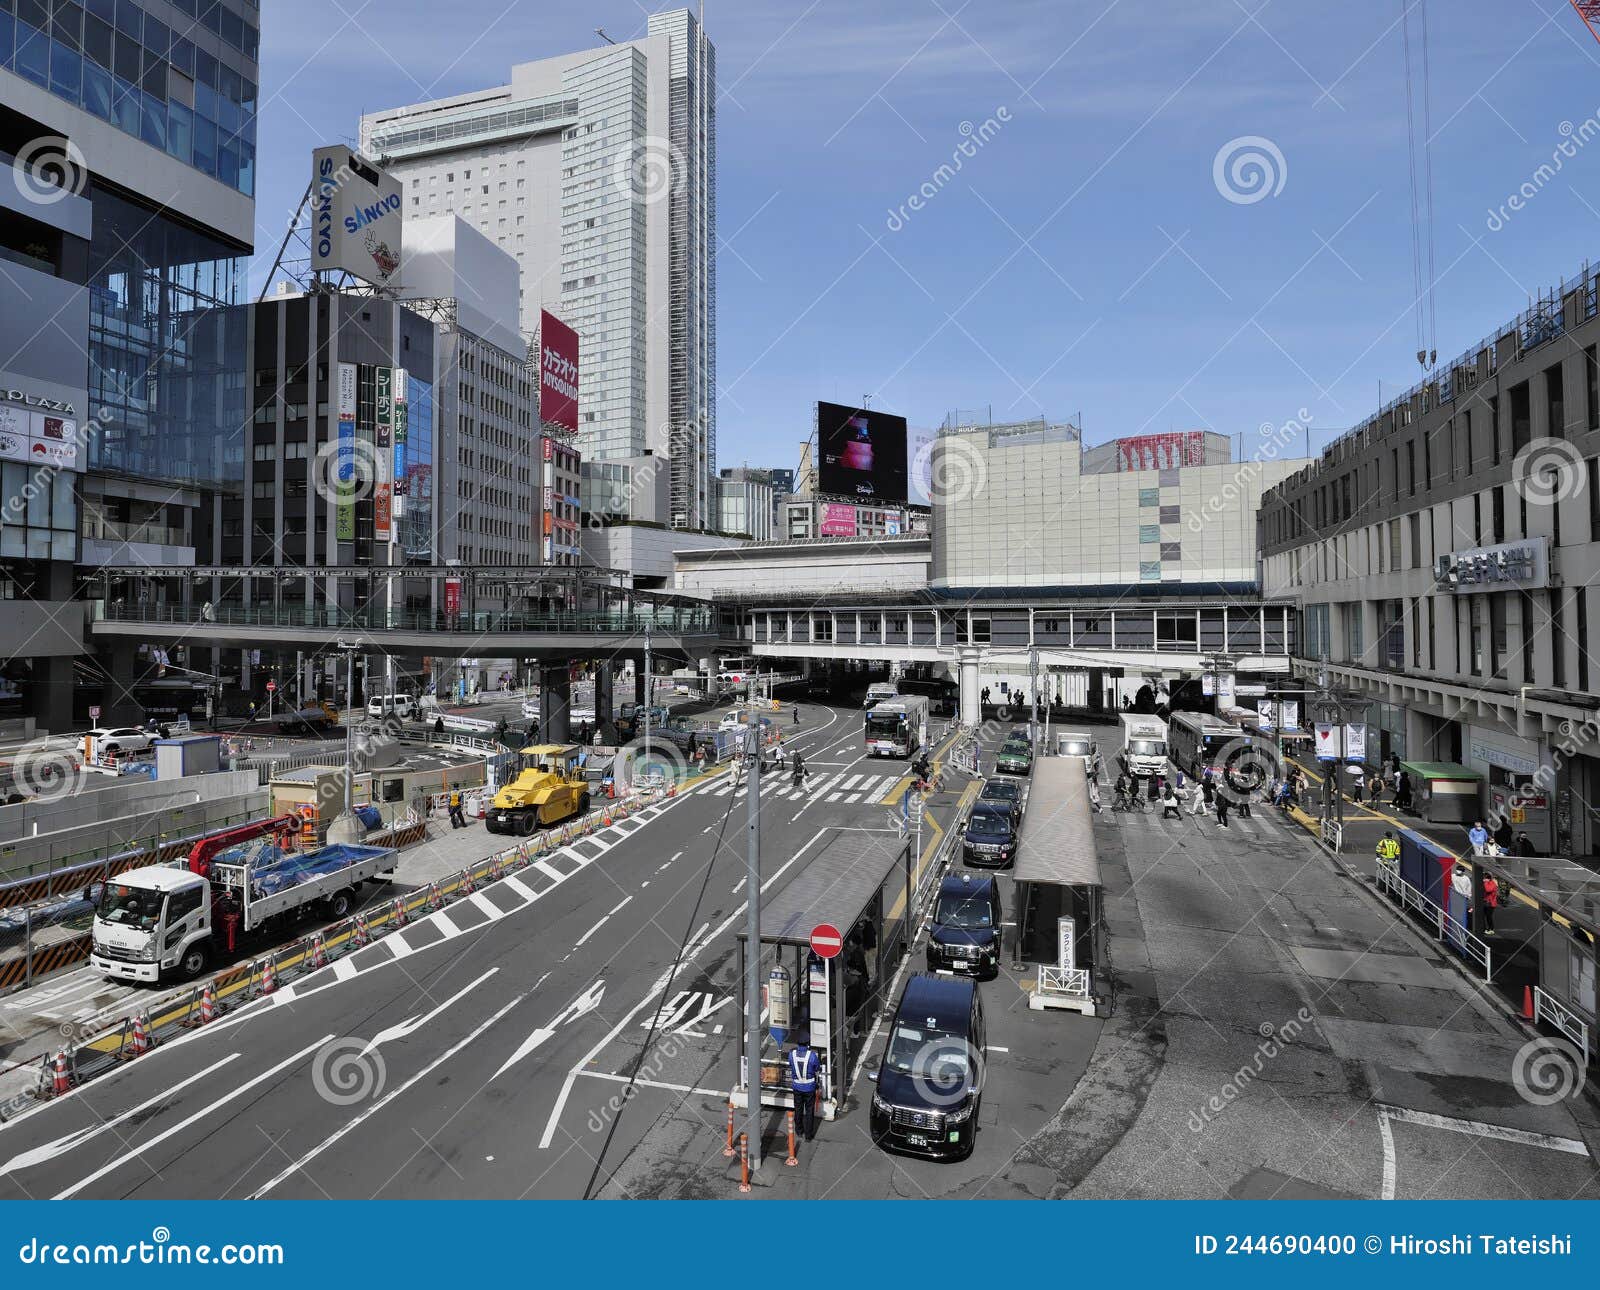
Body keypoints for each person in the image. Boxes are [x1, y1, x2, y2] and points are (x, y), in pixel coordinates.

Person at [788, 1039, 821, 1142]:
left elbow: (791, 1065)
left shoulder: (792, 1054)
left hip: (797, 1086)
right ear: (807, 1044)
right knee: (809, 1110)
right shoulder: (812, 1055)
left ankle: (799, 1130)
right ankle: (808, 1135)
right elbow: (817, 1068)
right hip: (809, 1087)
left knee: (798, 1108)